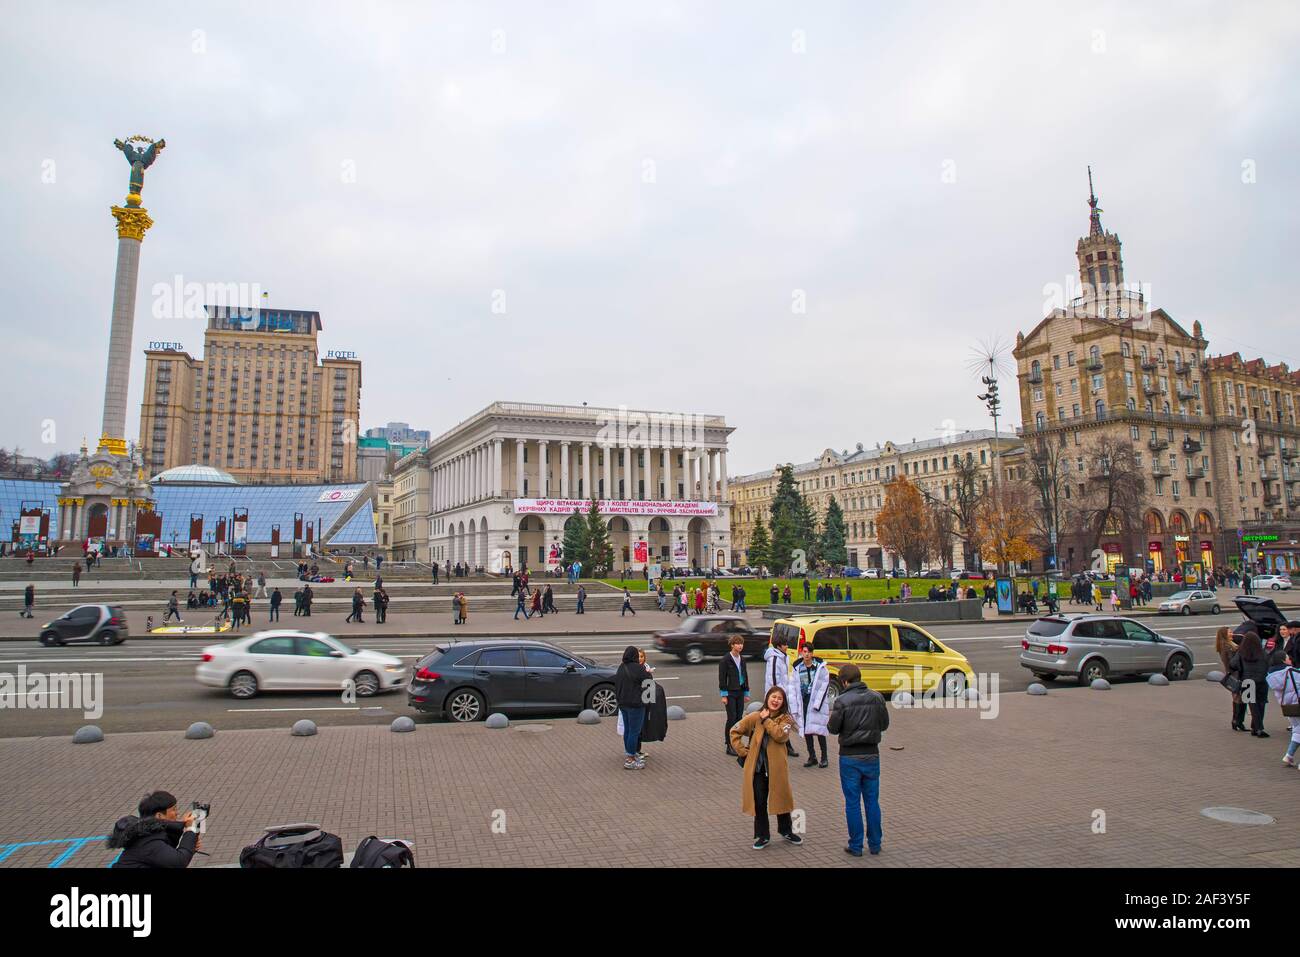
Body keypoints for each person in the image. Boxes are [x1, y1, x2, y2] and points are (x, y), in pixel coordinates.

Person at [828, 662, 890, 857]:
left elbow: (833, 728)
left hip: (849, 757)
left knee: (852, 803)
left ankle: (856, 846)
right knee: (872, 801)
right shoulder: (877, 697)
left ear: (845, 681)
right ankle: (875, 844)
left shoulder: (842, 701)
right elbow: (884, 724)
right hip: (872, 754)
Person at [730, 685, 802, 849]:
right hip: (758, 769)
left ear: (783, 702)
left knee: (782, 798)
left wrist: (766, 719)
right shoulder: (755, 716)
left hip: (777, 769)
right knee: (759, 802)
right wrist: (743, 751)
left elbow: (780, 735)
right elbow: (734, 731)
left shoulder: (786, 719)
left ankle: (786, 831)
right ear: (767, 698)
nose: (775, 700)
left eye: (779, 698)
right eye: (773, 697)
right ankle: (762, 835)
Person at [107, 790, 202, 868]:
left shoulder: (148, 832)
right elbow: (179, 862)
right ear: (159, 815)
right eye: (173, 809)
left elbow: (168, 854)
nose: (177, 813)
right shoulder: (147, 841)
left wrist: (189, 846)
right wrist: (190, 829)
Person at [790, 641, 831, 768]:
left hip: (816, 703)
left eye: (808, 652)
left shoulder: (820, 667)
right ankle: (812, 756)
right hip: (804, 701)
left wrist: (818, 703)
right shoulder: (797, 668)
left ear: (812, 653)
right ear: (801, 653)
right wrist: (794, 706)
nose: (806, 654)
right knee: (807, 730)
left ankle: (824, 757)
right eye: (804, 651)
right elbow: (792, 688)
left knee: (819, 730)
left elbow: (824, 685)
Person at [615, 646, 651, 770]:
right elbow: (649, 682)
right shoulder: (638, 668)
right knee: (634, 732)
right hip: (636, 705)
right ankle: (630, 759)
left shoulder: (621, 667)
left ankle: (630, 753)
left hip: (623, 704)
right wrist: (648, 673)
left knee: (628, 730)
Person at [1230, 630, 1271, 737]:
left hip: (1246, 681)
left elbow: (1233, 664)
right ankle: (1256, 728)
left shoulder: (1241, 652)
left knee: (1252, 705)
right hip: (1261, 681)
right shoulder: (1263, 652)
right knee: (1261, 704)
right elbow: (1268, 664)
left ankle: (1258, 728)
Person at [764, 634, 799, 757]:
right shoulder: (774, 659)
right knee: (779, 720)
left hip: (781, 696)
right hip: (776, 698)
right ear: (779, 646)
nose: (787, 646)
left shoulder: (783, 657)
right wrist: (778, 696)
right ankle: (786, 746)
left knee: (780, 720)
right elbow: (773, 679)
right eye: (785, 644)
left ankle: (785, 745)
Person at [719, 634, 751, 756]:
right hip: (730, 692)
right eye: (738, 643)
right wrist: (723, 695)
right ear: (732, 645)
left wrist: (746, 692)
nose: (740, 646)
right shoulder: (725, 660)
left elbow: (745, 676)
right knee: (731, 718)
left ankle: (737, 743)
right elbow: (722, 678)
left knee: (739, 719)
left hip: (740, 691)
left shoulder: (742, 659)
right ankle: (729, 745)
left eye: (741, 643)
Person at [1266, 655, 1300, 767]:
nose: (1290, 659)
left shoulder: (1272, 677)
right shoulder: (1291, 672)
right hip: (1298, 704)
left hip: (1289, 708)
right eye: (1287, 658)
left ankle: (1289, 756)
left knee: (1297, 730)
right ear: (1283, 660)